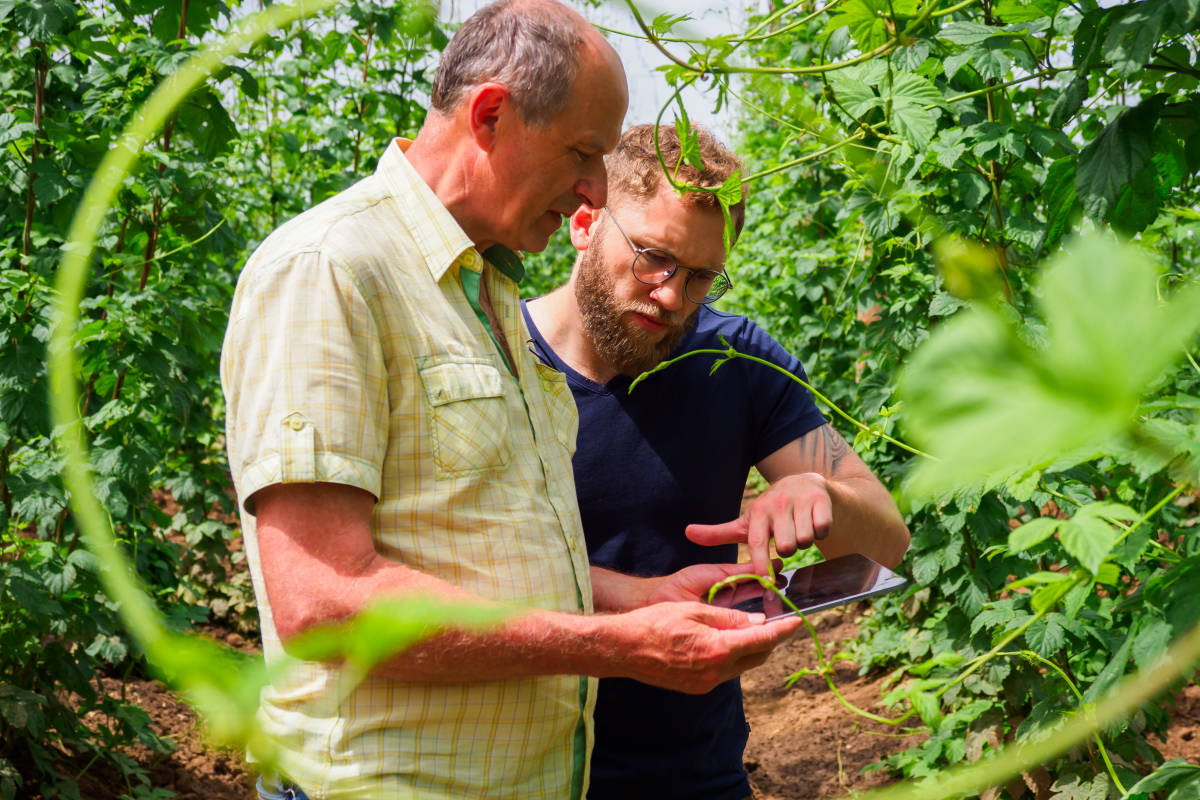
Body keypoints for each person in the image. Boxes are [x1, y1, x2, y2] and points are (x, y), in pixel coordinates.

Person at [220, 4, 803, 799]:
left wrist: (638, 599)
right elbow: (326, 601)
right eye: (583, 151)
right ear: (491, 114)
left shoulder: (480, 291)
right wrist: (614, 647)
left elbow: (469, 550)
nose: (592, 186)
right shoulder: (332, 269)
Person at [523, 124, 912, 800]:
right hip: (515, 771)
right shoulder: (494, 365)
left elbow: (887, 538)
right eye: (653, 257)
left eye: (701, 276)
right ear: (585, 222)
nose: (672, 296)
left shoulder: (735, 361)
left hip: (693, 777)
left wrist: (822, 494)